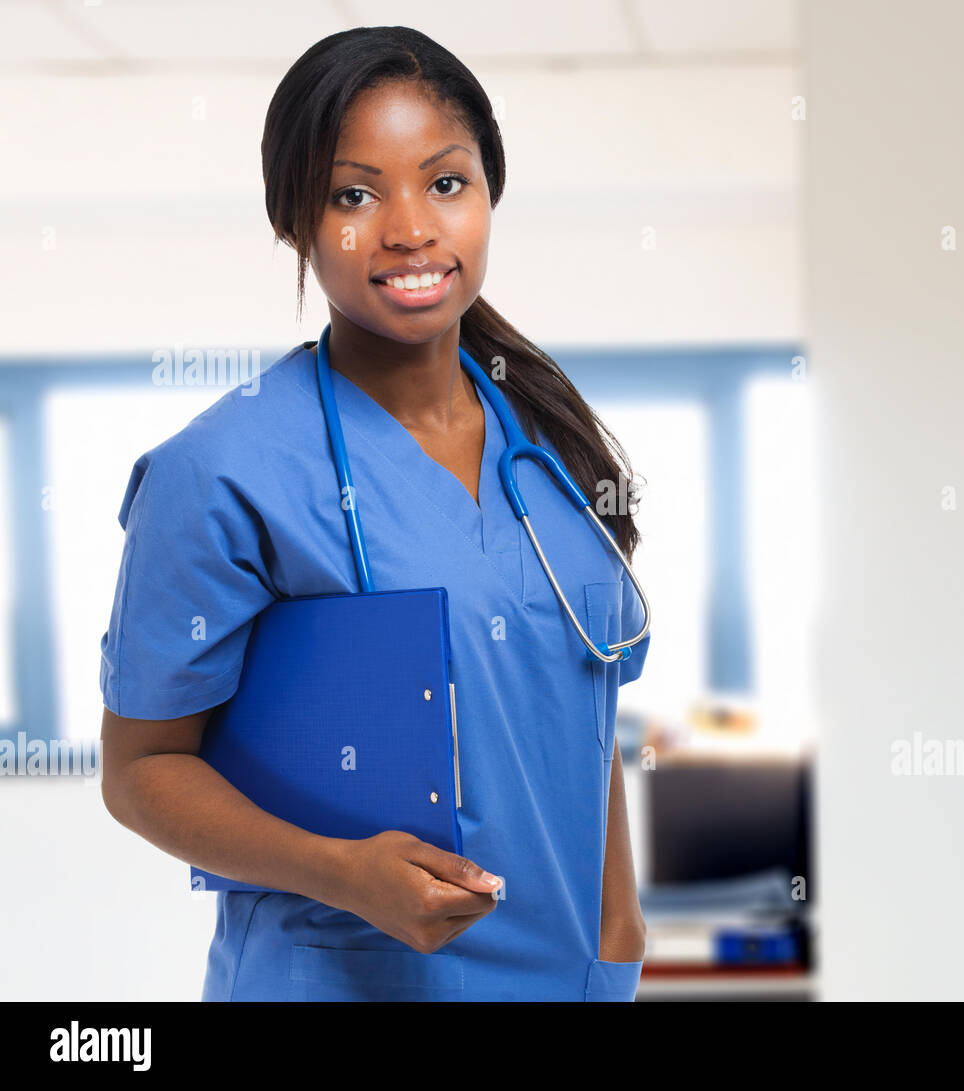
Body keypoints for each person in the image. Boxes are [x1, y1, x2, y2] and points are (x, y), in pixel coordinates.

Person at [98, 26, 651, 1002]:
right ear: (294, 221)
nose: (409, 229)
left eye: (446, 183)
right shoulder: (224, 471)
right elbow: (141, 768)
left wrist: (617, 945)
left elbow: (586, 720)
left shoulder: (550, 444)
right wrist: (338, 869)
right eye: (354, 194)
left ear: (488, 195)